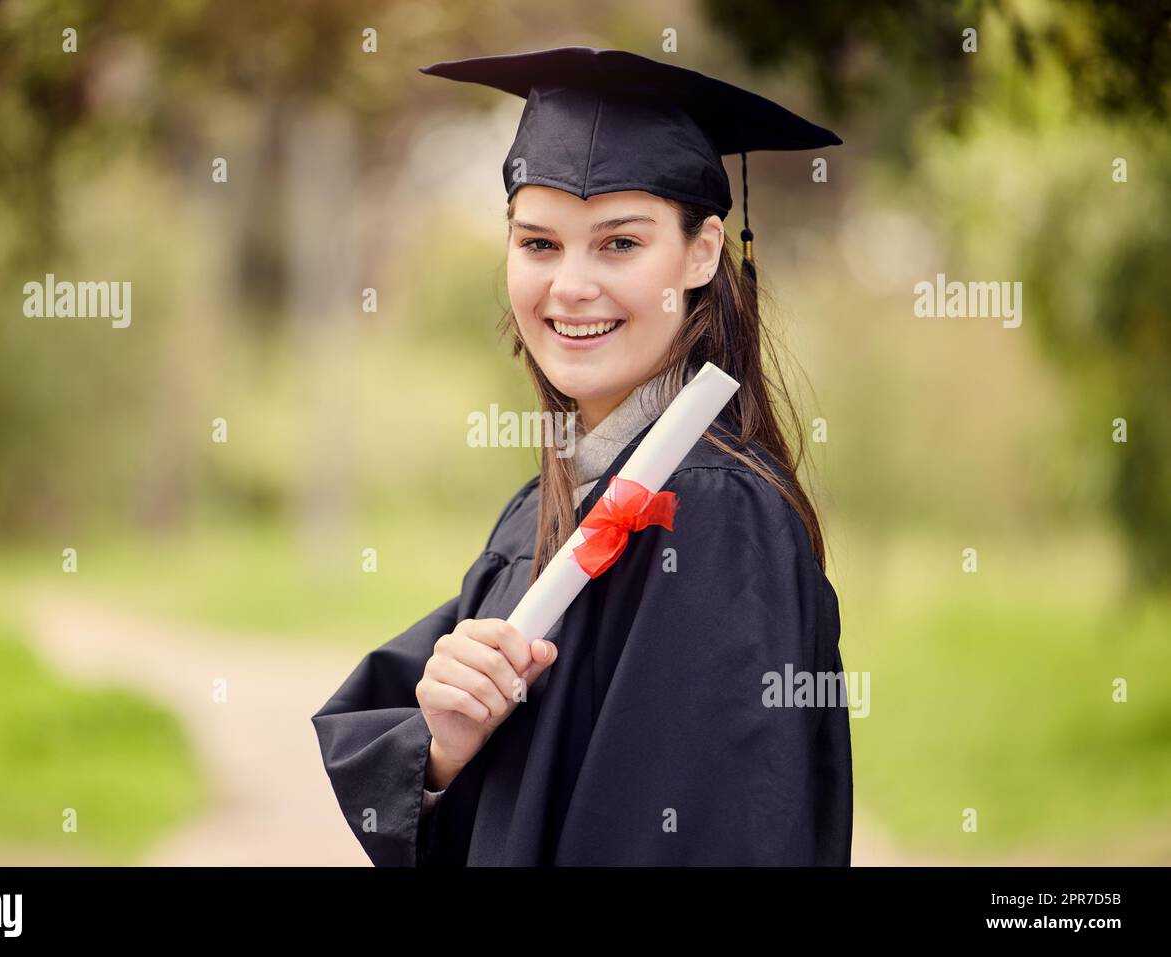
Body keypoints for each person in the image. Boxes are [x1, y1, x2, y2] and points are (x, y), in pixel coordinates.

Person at [312, 46, 852, 866]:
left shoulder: (708, 511)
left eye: (619, 244)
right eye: (538, 243)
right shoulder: (552, 502)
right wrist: (446, 749)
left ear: (702, 254)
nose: (570, 286)